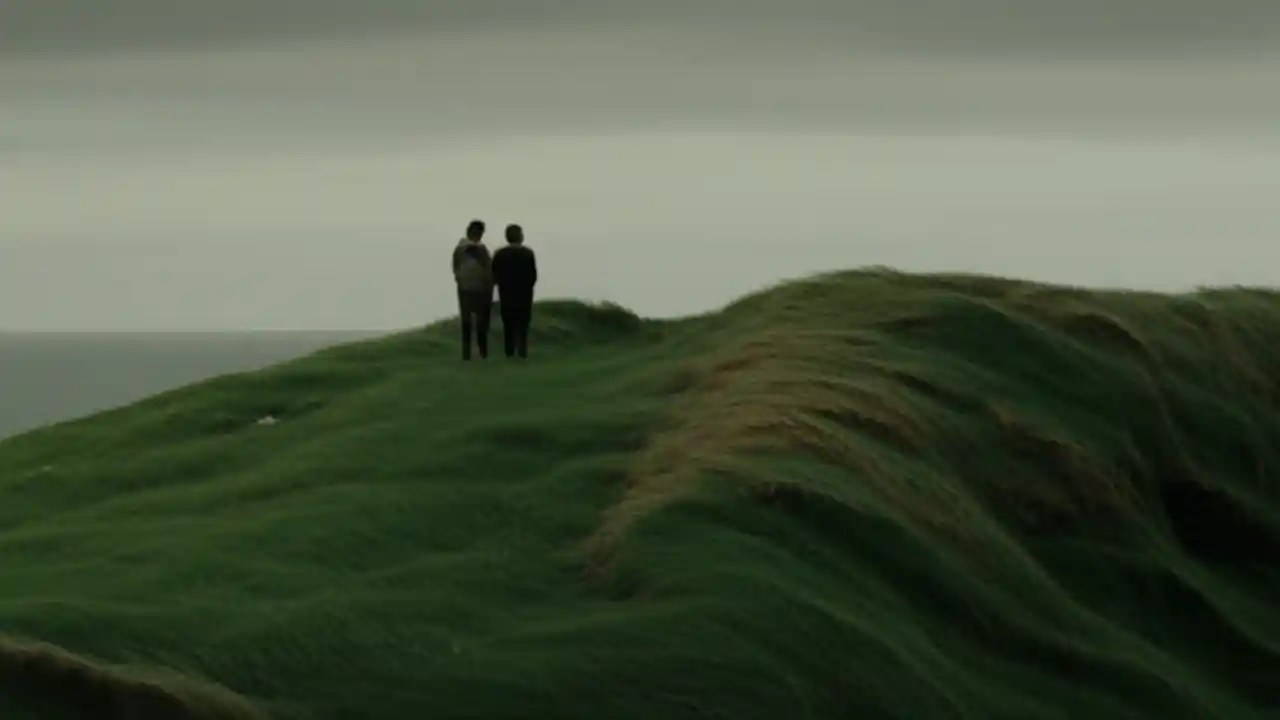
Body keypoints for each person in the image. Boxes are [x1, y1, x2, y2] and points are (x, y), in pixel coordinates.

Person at [491, 223, 538, 359]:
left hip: (506, 293)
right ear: (520, 237)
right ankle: (522, 351)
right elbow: (533, 275)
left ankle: (509, 351)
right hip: (524, 293)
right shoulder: (527, 253)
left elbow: (494, 274)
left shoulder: (500, 254)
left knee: (508, 324)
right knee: (523, 323)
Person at [452, 219, 493, 361]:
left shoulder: (459, 249)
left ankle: (467, 353)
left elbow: (455, 269)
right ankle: (482, 352)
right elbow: (488, 269)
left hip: (464, 287)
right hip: (480, 289)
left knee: (467, 321)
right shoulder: (481, 250)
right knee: (481, 322)